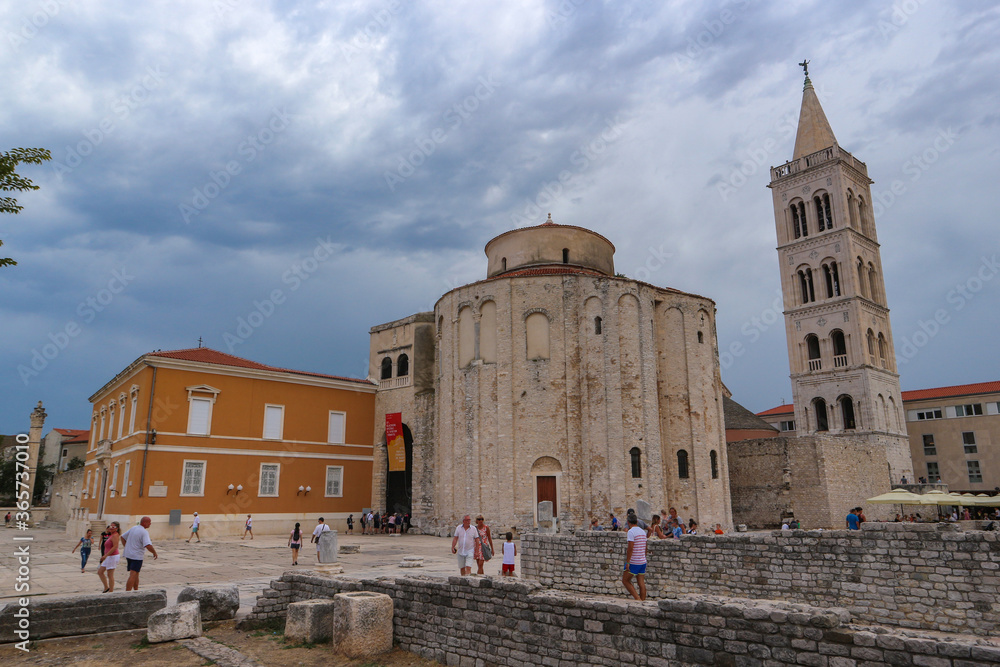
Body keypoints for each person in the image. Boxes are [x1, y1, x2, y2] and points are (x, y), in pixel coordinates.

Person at [120, 516, 158, 591]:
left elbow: (122, 537)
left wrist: (127, 547)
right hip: (136, 556)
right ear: (144, 522)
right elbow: (148, 545)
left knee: (136, 573)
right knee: (133, 574)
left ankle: (136, 589)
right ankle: (127, 592)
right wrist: (154, 552)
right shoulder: (144, 532)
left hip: (129, 555)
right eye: (149, 522)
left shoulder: (134, 528)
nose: (150, 524)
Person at [622, 513, 647, 601]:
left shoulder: (631, 532)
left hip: (634, 561)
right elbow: (645, 547)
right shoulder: (642, 531)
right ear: (637, 521)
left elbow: (630, 548)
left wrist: (628, 562)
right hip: (643, 560)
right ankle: (643, 601)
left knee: (625, 581)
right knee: (641, 583)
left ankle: (638, 599)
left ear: (628, 522)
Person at [97, 521, 121, 593]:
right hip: (108, 557)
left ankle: (111, 591)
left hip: (112, 556)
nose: (111, 528)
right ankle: (106, 587)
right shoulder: (111, 535)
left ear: (116, 528)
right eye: (110, 526)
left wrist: (105, 555)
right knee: (100, 572)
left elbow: (115, 546)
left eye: (113, 527)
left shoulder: (115, 535)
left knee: (110, 574)